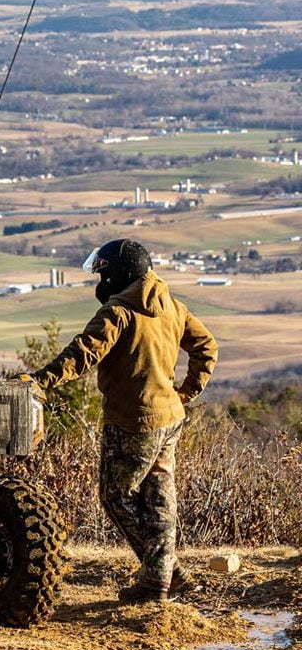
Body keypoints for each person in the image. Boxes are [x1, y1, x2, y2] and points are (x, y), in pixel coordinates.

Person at [28, 239, 218, 604]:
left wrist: (40, 380)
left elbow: (82, 354)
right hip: (170, 416)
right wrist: (186, 392)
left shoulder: (118, 312)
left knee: (115, 496)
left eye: (103, 272)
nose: (100, 280)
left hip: (134, 420)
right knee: (159, 498)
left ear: (118, 274)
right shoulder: (171, 305)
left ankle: (161, 573)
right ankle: (163, 578)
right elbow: (207, 346)